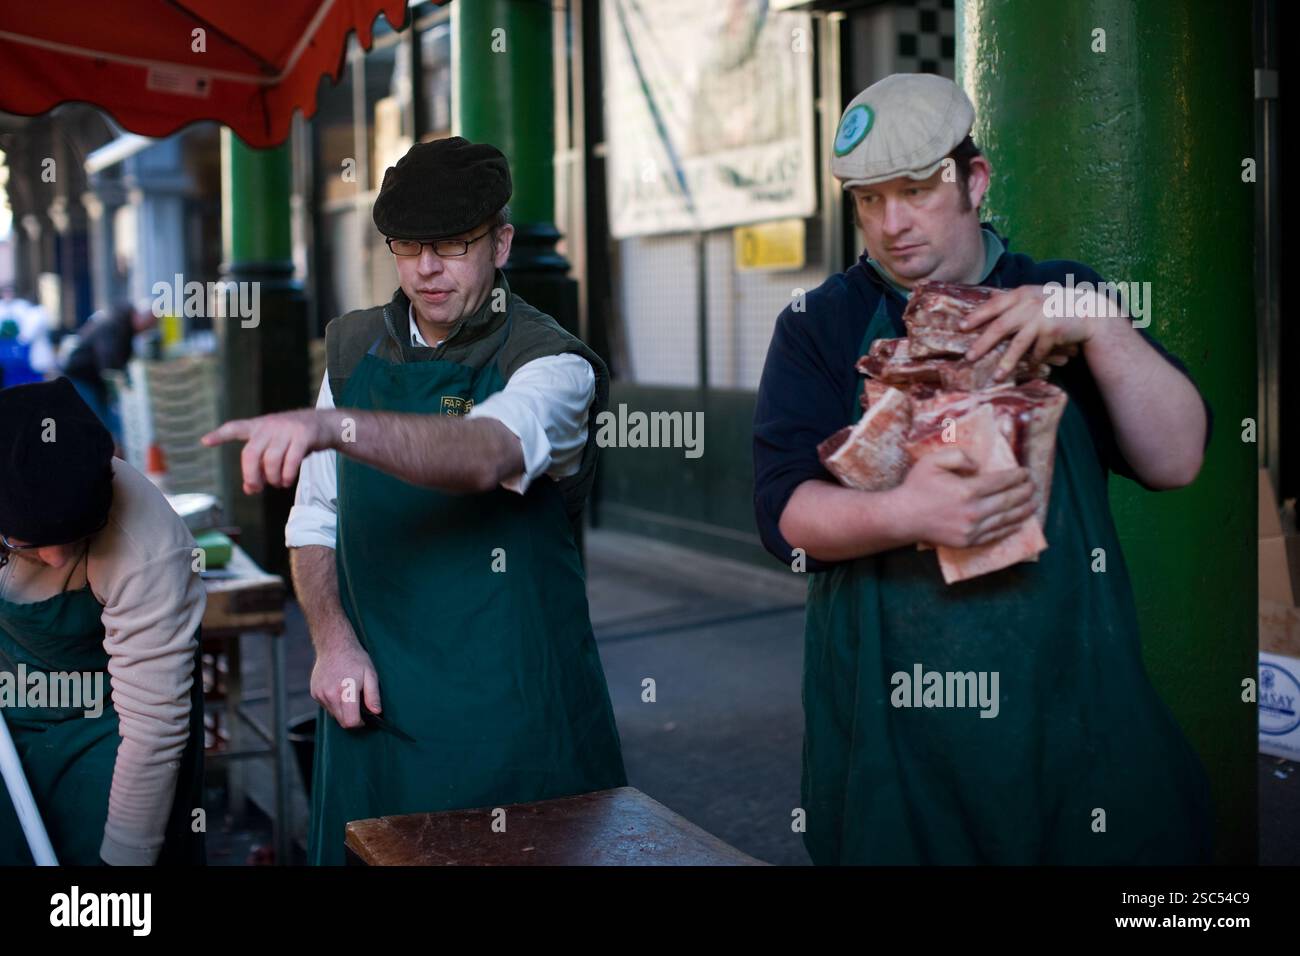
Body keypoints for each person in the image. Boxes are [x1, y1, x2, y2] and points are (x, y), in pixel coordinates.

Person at [753, 73, 1215, 865]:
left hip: (1063, 699)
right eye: (868, 200)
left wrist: (1099, 329)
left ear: (974, 179)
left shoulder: (1059, 293)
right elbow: (783, 514)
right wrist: (907, 515)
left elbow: (1176, 460)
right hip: (894, 726)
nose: (892, 224)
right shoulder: (817, 326)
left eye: (917, 190)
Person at [202, 137, 627, 865]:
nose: (426, 269)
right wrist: (332, 641)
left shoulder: (551, 362)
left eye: (453, 245)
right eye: (406, 246)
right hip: (376, 705)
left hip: (515, 716)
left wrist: (332, 426)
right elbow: (315, 518)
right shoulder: (355, 349)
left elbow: (488, 451)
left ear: (500, 243)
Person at [0, 377, 205, 865]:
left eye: (75, 536)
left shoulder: (148, 545)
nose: (54, 559)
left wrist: (124, 863)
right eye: (30, 544)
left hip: (114, 724)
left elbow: (153, 726)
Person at [62, 301, 156, 443]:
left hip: (95, 381)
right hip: (81, 378)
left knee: (106, 421)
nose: (148, 328)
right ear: (138, 315)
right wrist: (118, 385)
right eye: (149, 323)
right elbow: (108, 361)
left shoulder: (125, 328)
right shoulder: (113, 325)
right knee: (95, 421)